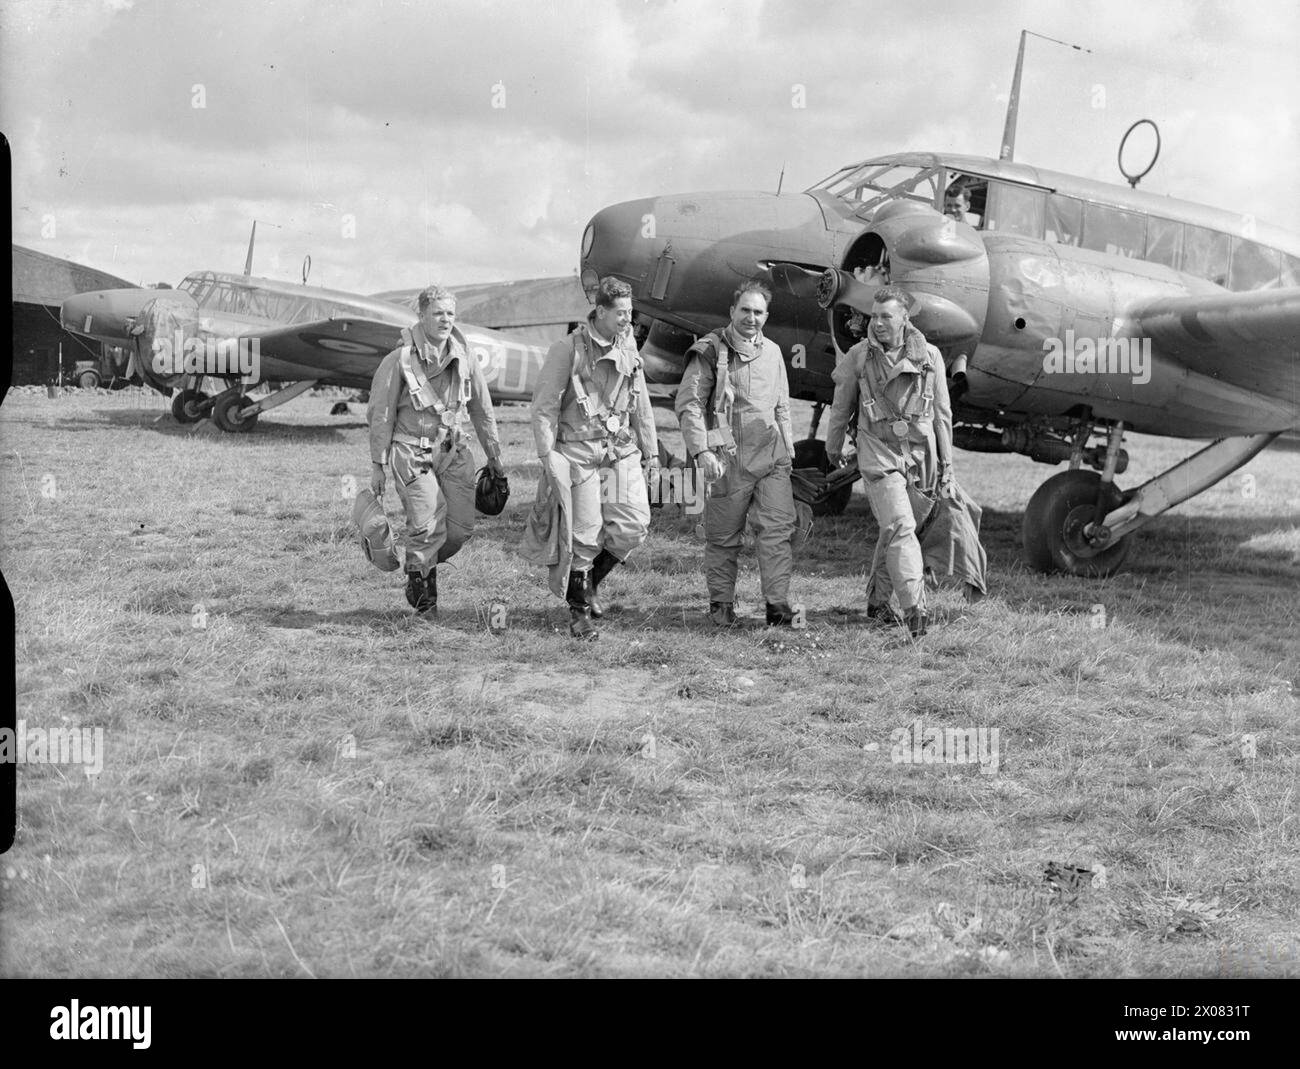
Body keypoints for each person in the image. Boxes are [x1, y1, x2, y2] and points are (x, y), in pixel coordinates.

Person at [526, 276, 659, 640]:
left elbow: (641, 403)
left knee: (633, 525)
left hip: (619, 450)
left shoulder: (629, 349)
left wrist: (652, 452)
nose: (626, 319)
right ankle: (579, 612)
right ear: (600, 311)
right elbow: (544, 407)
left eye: (630, 313)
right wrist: (547, 455)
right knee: (585, 535)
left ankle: (591, 584)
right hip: (579, 454)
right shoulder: (566, 350)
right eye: (620, 312)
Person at [825, 287, 956, 638]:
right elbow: (841, 405)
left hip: (919, 457)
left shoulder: (930, 357)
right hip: (877, 452)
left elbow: (943, 415)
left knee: (896, 527)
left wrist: (948, 467)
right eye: (875, 315)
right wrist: (833, 445)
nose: (878, 323)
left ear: (904, 319)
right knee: (900, 526)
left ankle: (878, 602)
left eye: (887, 316)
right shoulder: (858, 356)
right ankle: (916, 609)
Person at [368, 286, 505, 615]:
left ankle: (417, 569)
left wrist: (495, 458)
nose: (445, 320)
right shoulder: (398, 360)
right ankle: (425, 605)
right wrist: (378, 465)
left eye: (450, 314)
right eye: (437, 313)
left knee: (458, 532)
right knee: (428, 527)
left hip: (454, 450)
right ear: (421, 315)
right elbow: (381, 414)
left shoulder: (466, 356)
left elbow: (482, 412)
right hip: (412, 452)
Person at [675, 279, 798, 627]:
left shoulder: (773, 352)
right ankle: (721, 604)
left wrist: (788, 453)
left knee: (777, 531)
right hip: (727, 461)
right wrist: (701, 452)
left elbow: (782, 406)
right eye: (745, 310)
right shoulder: (711, 351)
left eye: (758, 312)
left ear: (766, 316)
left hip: (771, 459)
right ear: (732, 311)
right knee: (723, 537)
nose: (751, 317)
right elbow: (689, 405)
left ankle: (776, 605)